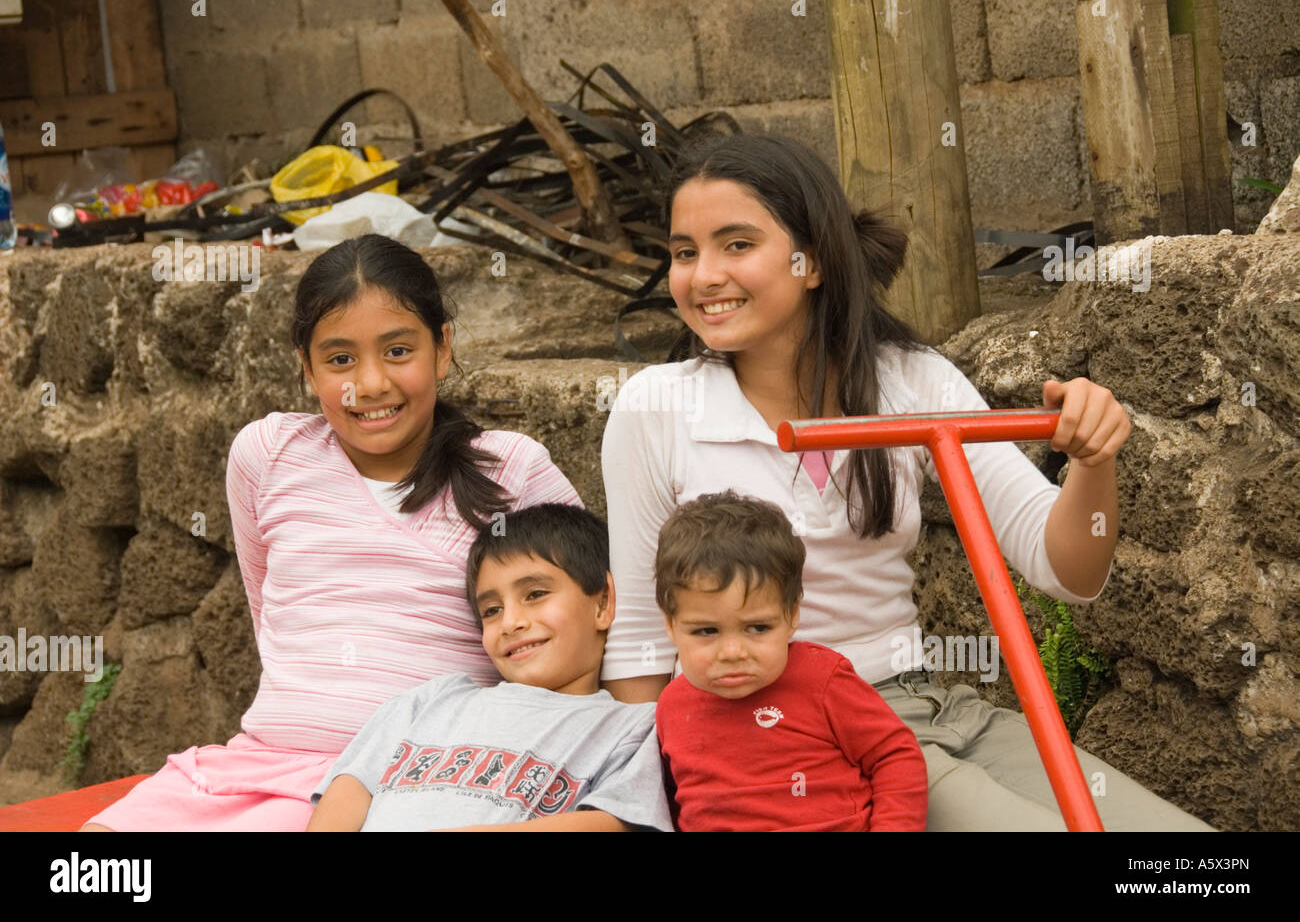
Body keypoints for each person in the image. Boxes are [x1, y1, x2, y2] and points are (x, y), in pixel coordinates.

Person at [599, 133, 1214, 831]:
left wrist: (1093, 461)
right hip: (791, 736)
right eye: (685, 252)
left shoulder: (911, 379)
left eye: (736, 245)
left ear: (815, 260)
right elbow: (643, 644)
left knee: (1190, 857)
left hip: (928, 706)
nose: (703, 275)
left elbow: (1069, 571)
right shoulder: (657, 409)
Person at [82, 234, 581, 831]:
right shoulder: (268, 455)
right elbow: (269, 608)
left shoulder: (511, 470)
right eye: (340, 359)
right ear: (306, 364)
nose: (369, 384)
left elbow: (594, 620)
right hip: (257, 767)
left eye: (398, 351)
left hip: (418, 783)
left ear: (443, 347)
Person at [307, 503, 672, 831]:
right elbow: (352, 785)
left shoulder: (630, 727)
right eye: (491, 611)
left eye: (535, 594)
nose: (511, 622)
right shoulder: (434, 700)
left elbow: (617, 822)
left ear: (602, 602)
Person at [653, 490, 927, 831]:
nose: (733, 652)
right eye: (707, 631)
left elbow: (895, 756)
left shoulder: (823, 680)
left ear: (792, 614)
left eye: (757, 627)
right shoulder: (671, 707)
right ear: (670, 625)